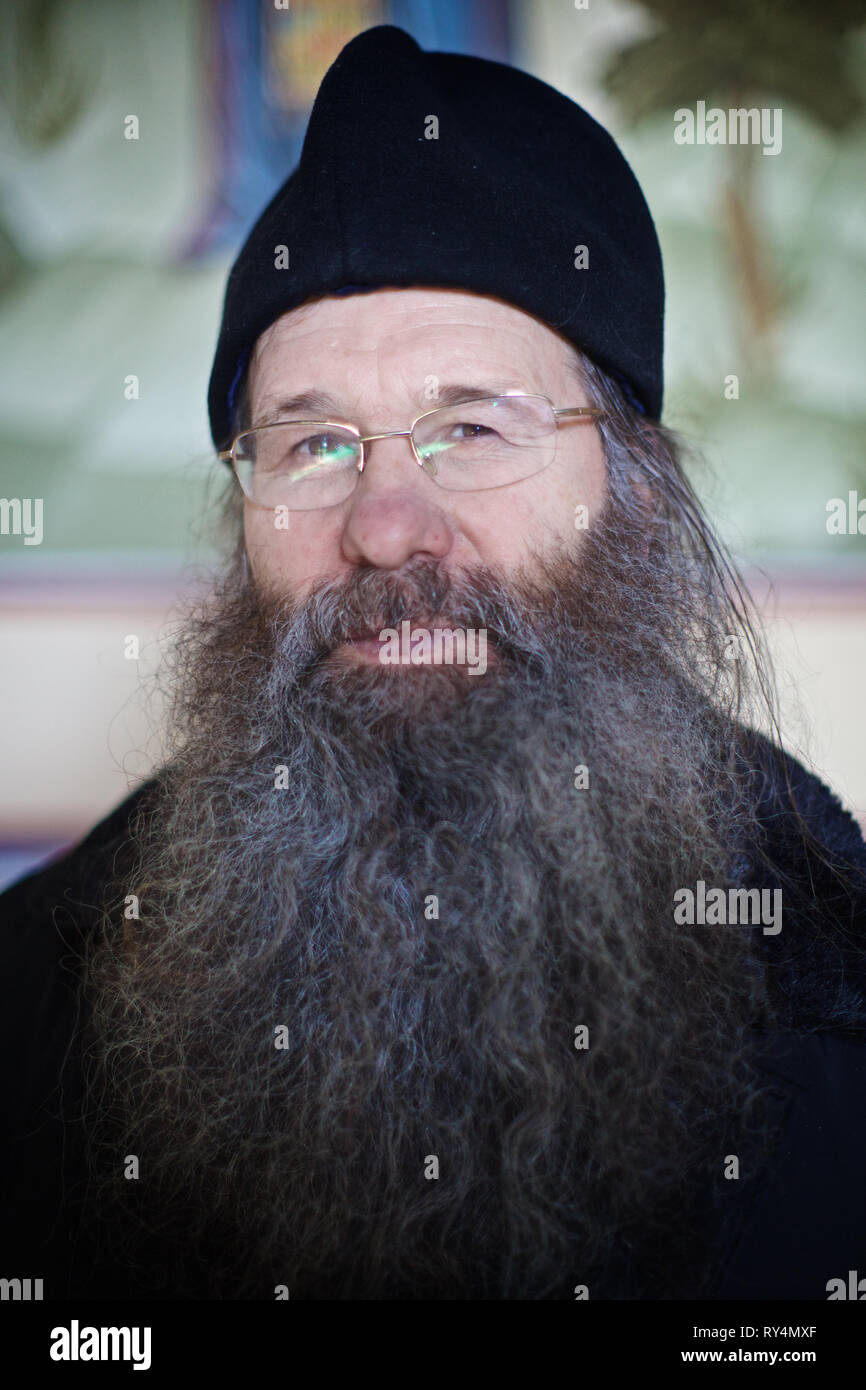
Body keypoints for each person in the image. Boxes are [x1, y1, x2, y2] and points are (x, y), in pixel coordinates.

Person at [2, 24, 865, 1303]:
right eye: (313, 448)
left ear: (632, 492)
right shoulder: (37, 997)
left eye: (471, 426)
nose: (385, 525)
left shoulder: (833, 974)